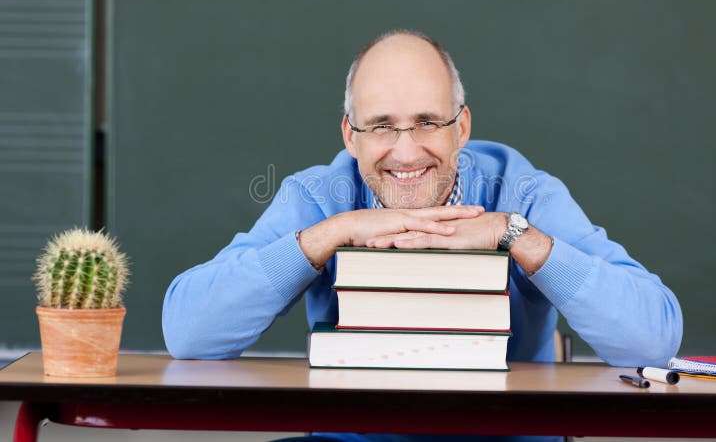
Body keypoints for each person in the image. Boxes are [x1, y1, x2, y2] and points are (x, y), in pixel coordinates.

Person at [163, 29, 682, 442]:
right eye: (382, 126)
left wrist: (515, 235)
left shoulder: (525, 192)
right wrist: (330, 235)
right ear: (350, 135)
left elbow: (652, 341)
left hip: (506, 441)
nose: (407, 153)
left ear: (462, 128)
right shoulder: (318, 197)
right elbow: (190, 333)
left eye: (428, 123)